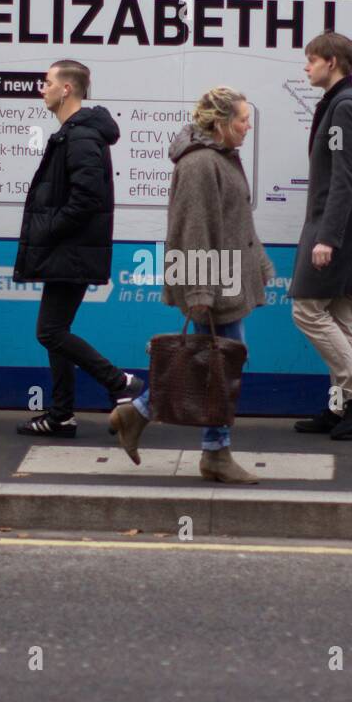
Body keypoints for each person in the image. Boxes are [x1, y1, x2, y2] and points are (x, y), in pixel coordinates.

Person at [108, 87, 275, 484]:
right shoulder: (201, 164)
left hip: (225, 274)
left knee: (214, 365)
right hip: (212, 281)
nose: (248, 126)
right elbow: (193, 230)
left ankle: (138, 414)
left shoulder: (220, 156)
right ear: (220, 123)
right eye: (242, 120)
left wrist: (259, 263)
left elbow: (235, 221)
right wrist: (200, 293)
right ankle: (214, 453)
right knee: (219, 368)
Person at [13, 59, 142, 437]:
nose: (42, 88)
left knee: (50, 333)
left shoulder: (82, 136)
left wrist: (48, 230)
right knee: (57, 331)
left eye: (47, 81)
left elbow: (87, 199)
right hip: (67, 250)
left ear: (67, 88)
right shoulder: (73, 133)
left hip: (71, 249)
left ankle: (120, 383)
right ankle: (61, 414)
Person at [289, 31, 352, 439]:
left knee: (307, 310)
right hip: (349, 226)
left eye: (311, 59)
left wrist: (327, 237)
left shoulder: (345, 107)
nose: (306, 66)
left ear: (332, 62)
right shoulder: (342, 103)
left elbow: (344, 178)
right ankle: (342, 405)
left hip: (338, 229)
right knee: (341, 315)